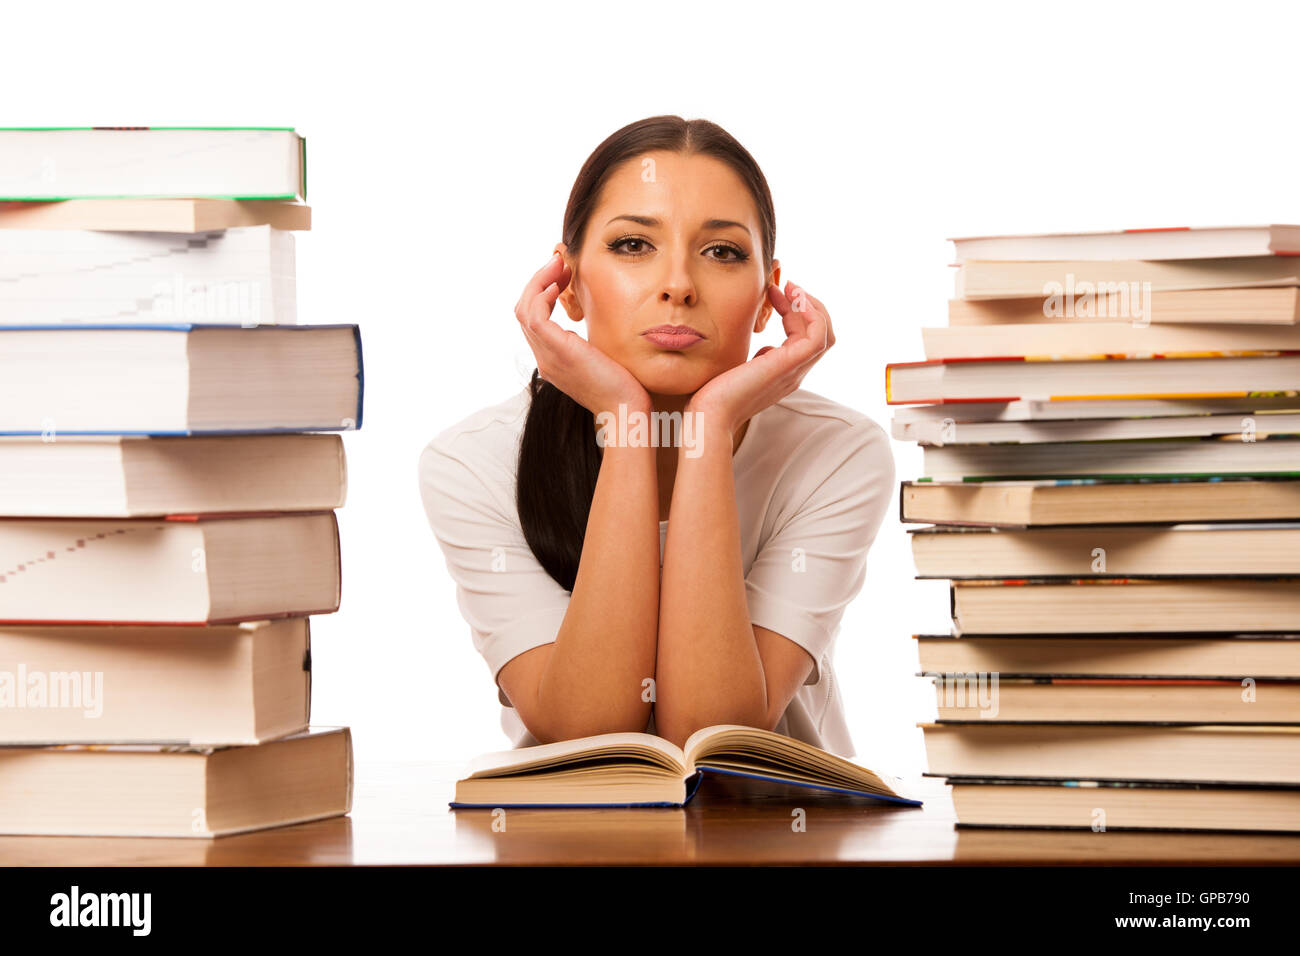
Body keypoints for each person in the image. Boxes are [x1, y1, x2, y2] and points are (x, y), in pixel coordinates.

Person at [418, 115, 895, 757]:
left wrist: (709, 423)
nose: (679, 285)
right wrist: (625, 419)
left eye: (722, 252)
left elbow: (713, 733)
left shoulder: (838, 453)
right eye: (633, 246)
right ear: (569, 284)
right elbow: (595, 732)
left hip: (776, 844)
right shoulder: (472, 462)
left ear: (766, 299)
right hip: (563, 852)